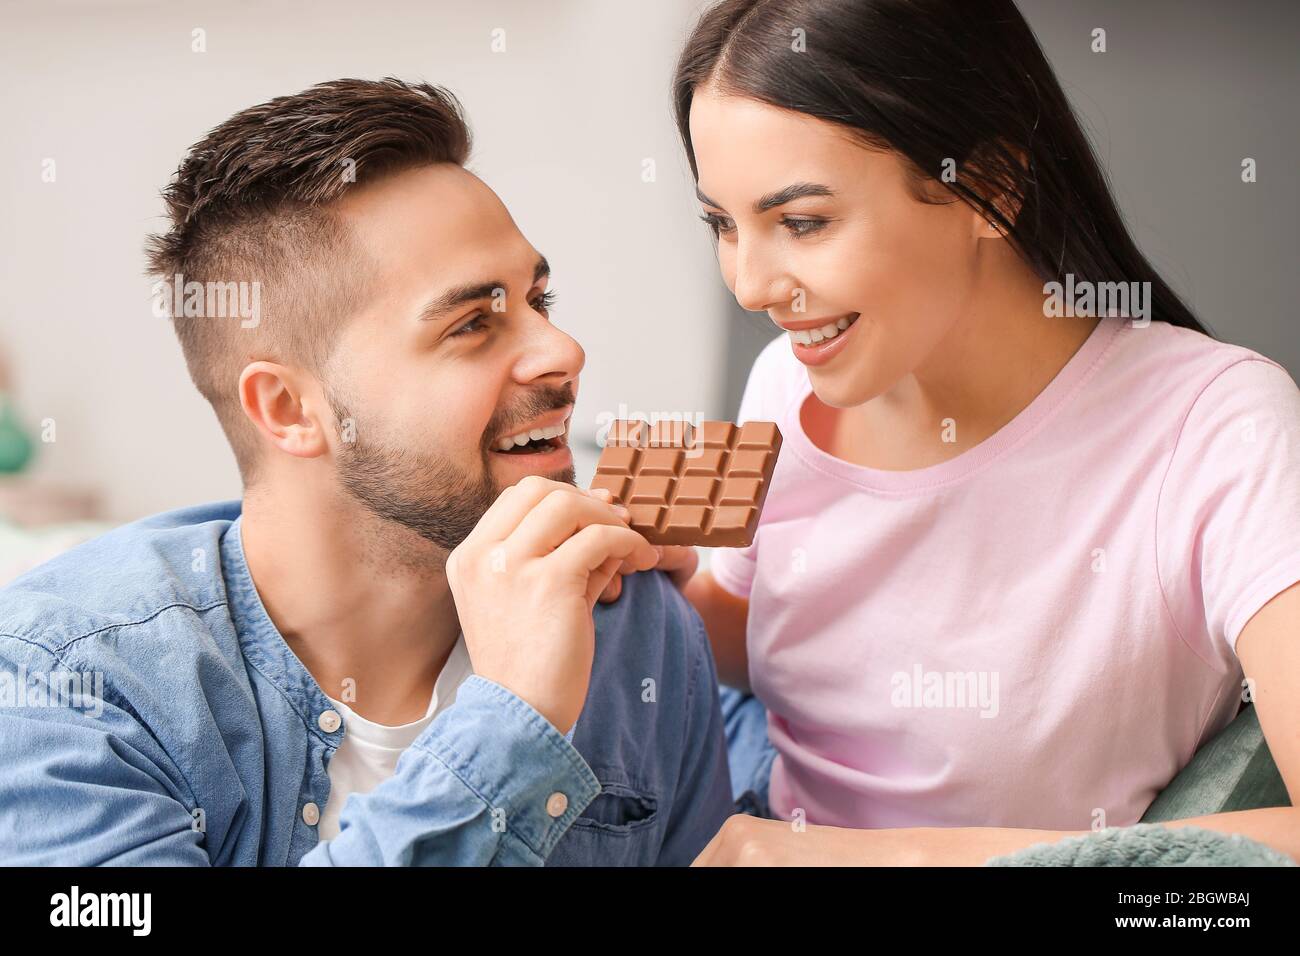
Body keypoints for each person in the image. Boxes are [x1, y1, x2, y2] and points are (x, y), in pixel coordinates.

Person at [0, 78, 733, 866]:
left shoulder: (635, 634)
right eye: (473, 323)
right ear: (287, 408)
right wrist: (512, 719)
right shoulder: (64, 682)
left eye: (539, 300)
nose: (564, 353)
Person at [651, 0, 1300, 864]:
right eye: (722, 226)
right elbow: (766, 641)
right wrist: (655, 588)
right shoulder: (786, 380)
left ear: (987, 187)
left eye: (801, 222)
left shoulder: (1220, 428)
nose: (750, 284)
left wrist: (891, 859)